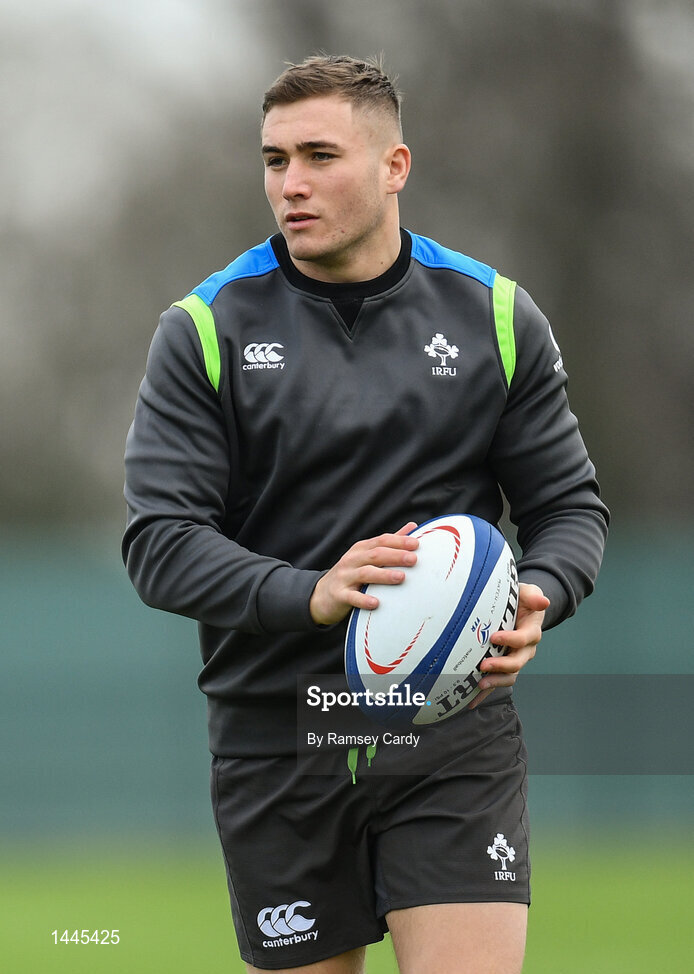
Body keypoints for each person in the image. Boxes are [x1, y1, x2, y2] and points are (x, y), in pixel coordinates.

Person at [122, 54, 608, 974]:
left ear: (395, 167)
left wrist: (537, 594)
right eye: (274, 160)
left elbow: (568, 506)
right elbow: (160, 543)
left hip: (447, 727)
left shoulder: (496, 317)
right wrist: (311, 593)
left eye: (319, 156)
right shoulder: (203, 330)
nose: (290, 185)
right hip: (283, 730)